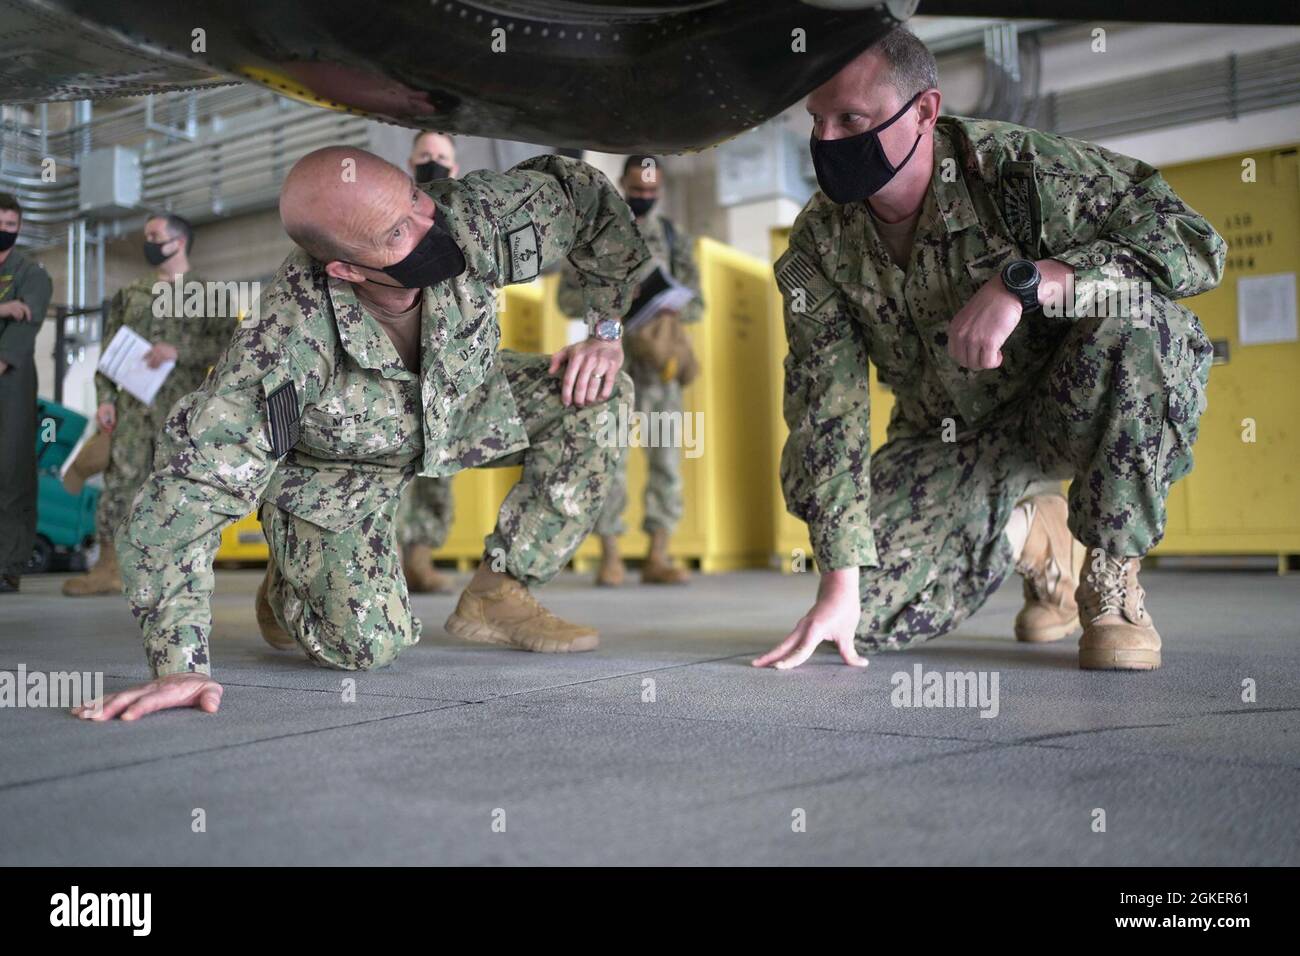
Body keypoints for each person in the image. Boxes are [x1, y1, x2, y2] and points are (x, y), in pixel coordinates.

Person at [77, 146, 648, 721]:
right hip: (336, 472)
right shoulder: (284, 344)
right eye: (400, 232)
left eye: (415, 198)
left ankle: (501, 590)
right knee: (369, 648)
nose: (432, 225)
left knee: (598, 394)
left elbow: (584, 196)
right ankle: (290, 582)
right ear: (347, 269)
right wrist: (180, 666)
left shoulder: (474, 217)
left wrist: (604, 328)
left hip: (462, 404)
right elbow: (184, 494)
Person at [754, 28, 1223, 673]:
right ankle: (1039, 538)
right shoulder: (818, 245)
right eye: (818, 121)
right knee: (867, 611)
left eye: (852, 120)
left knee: (1143, 321)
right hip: (948, 438)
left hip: (1072, 403)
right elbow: (824, 409)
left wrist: (1029, 282)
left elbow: (1194, 242)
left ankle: (1111, 579)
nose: (828, 141)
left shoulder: (1018, 172)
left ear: (924, 111)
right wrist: (838, 576)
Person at [558, 155, 704, 586]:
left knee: (665, 462)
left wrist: (669, 302)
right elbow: (566, 300)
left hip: (659, 366)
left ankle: (659, 554)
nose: (643, 198)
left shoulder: (675, 239)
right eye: (636, 191)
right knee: (609, 460)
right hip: (609, 366)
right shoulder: (595, 235)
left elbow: (699, 302)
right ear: (621, 185)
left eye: (650, 192)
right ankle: (611, 556)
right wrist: (615, 305)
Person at [397, 130, 462, 594]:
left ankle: (421, 559)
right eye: (426, 156)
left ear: (455, 169)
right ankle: (388, 563)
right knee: (391, 461)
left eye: (441, 158)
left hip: (446, 367)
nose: (434, 163)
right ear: (409, 164)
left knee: (437, 464)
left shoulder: (467, 222)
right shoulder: (390, 218)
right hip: (397, 362)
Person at [0, 192, 54, 593]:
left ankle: (8, 564)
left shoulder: (32, 275)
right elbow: (14, 313)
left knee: (12, 470)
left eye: (10, 226)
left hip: (10, 383)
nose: (4, 232)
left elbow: (26, 324)